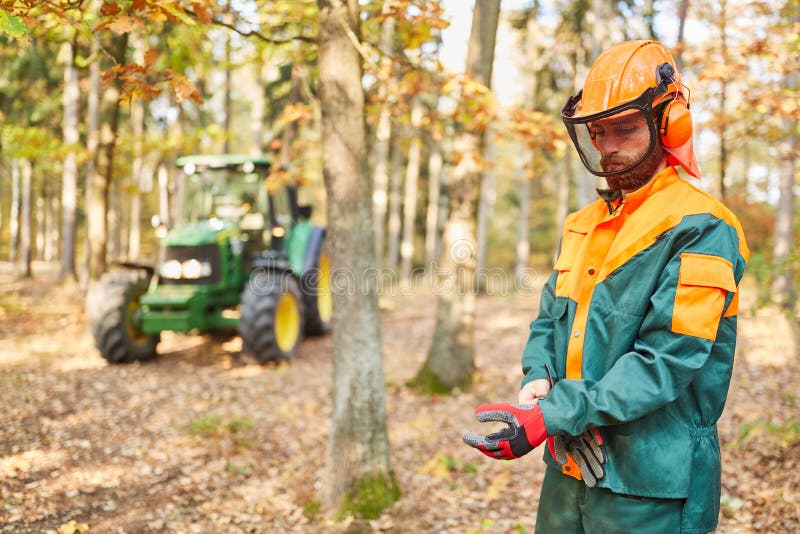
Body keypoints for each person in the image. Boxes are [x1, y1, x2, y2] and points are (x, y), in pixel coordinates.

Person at [463, 40, 749, 533]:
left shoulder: (701, 226)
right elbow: (550, 321)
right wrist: (540, 380)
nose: (608, 146)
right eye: (598, 132)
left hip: (652, 480)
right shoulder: (583, 224)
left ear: (669, 123)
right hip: (569, 461)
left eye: (626, 128)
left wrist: (553, 415)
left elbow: (668, 359)